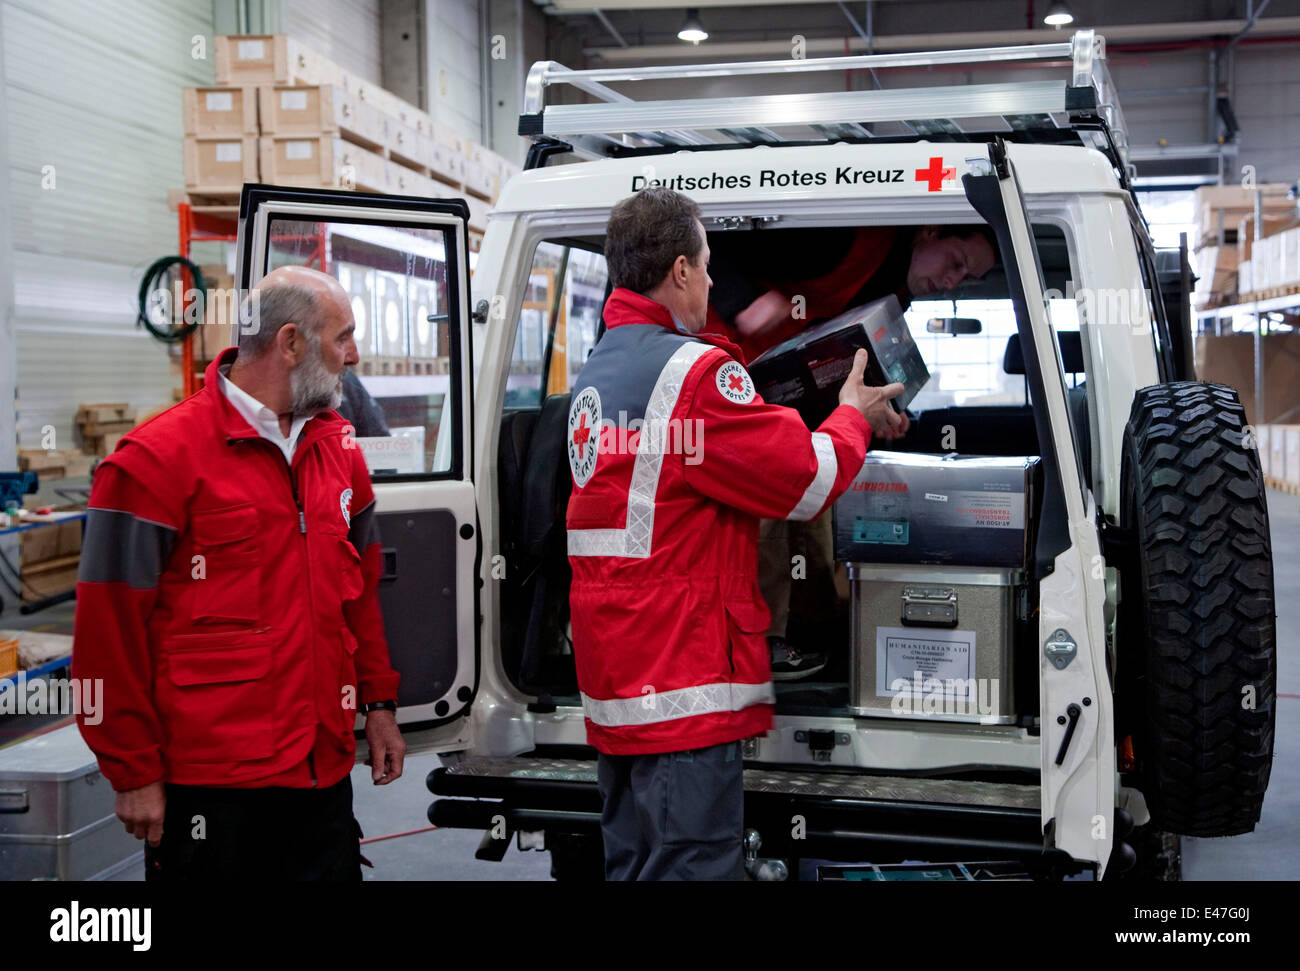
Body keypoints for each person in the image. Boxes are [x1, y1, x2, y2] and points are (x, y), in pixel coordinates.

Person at [566, 187, 908, 880]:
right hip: (683, 688)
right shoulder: (696, 373)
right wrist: (852, 416)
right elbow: (805, 480)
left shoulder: (599, 370)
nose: (716, 282)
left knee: (632, 866)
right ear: (682, 271)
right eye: (710, 265)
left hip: (618, 683)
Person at [72, 265, 405, 882]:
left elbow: (358, 597)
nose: (353, 355)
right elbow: (105, 637)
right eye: (343, 337)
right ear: (290, 343)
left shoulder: (338, 449)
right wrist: (133, 771)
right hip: (210, 785)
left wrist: (379, 702)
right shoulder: (151, 463)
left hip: (319, 769)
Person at [704, 223, 997, 678]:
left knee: (816, 500)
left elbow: (856, 361)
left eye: (967, 278)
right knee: (769, 502)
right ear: (929, 232)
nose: (953, 281)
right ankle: (761, 642)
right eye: (956, 261)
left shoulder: (896, 292)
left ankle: (817, 629)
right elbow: (713, 245)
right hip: (729, 368)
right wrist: (743, 303)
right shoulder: (838, 237)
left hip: (791, 393)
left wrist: (884, 409)